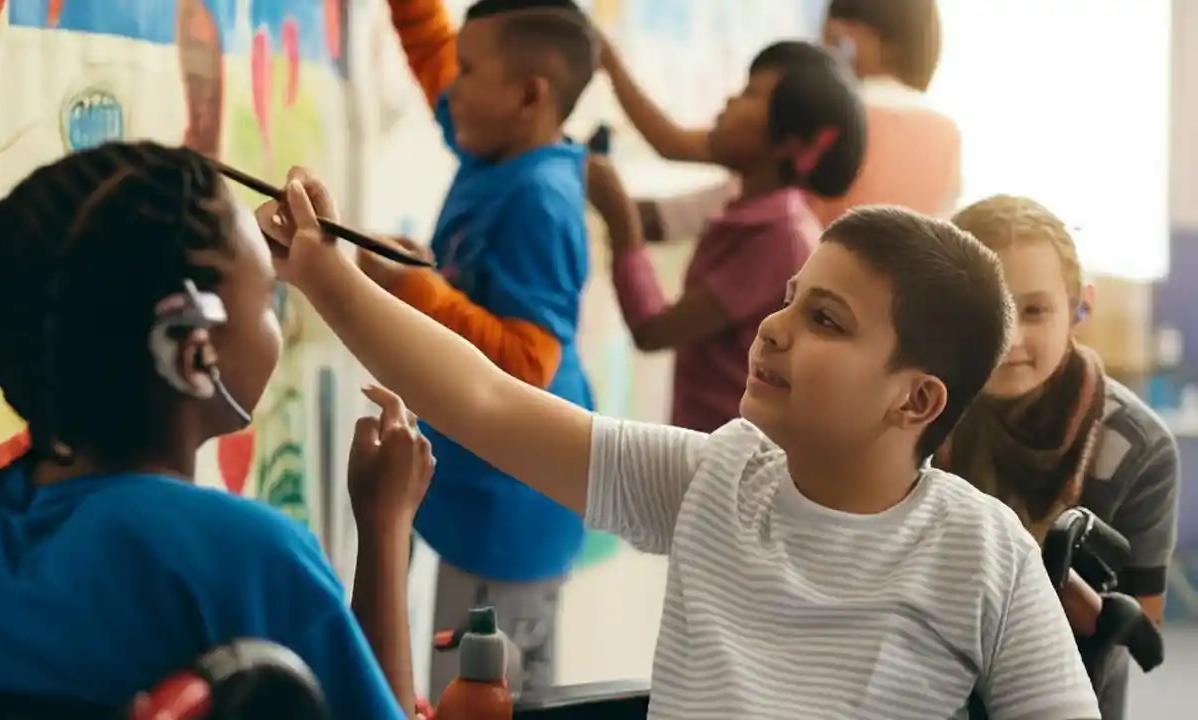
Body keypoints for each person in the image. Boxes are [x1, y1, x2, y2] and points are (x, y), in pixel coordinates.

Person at [258, 168, 1101, 719]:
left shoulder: (985, 553)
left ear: (916, 399)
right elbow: (484, 401)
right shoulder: (720, 475)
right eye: (792, 298)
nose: (774, 329)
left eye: (826, 321)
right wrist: (323, 272)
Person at [0, 142, 430, 720]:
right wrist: (385, 524)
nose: (280, 318)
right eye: (270, 296)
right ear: (190, 355)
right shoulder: (246, 555)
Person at [374, 0, 597, 696]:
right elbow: (432, 45)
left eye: (469, 72)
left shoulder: (541, 200)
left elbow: (530, 363)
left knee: (481, 698)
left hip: (517, 512)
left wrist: (420, 291)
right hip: (485, 498)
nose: (450, 87)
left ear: (529, 96)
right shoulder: (492, 138)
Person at [941, 195, 1180, 720]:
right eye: (987, 309)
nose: (1008, 337)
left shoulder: (1137, 448)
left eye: (1033, 310)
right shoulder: (917, 409)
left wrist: (1056, 586)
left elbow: (1144, 626)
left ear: (1080, 307)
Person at [585, 41, 864, 432]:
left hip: (725, 458)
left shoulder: (778, 239)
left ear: (790, 143)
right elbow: (651, 221)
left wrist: (616, 216)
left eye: (751, 93)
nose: (732, 98)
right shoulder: (744, 199)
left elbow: (653, 329)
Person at [607, 0, 958, 240]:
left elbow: (675, 144)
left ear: (846, 34)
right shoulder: (947, 135)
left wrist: (608, 61)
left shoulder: (827, 115)